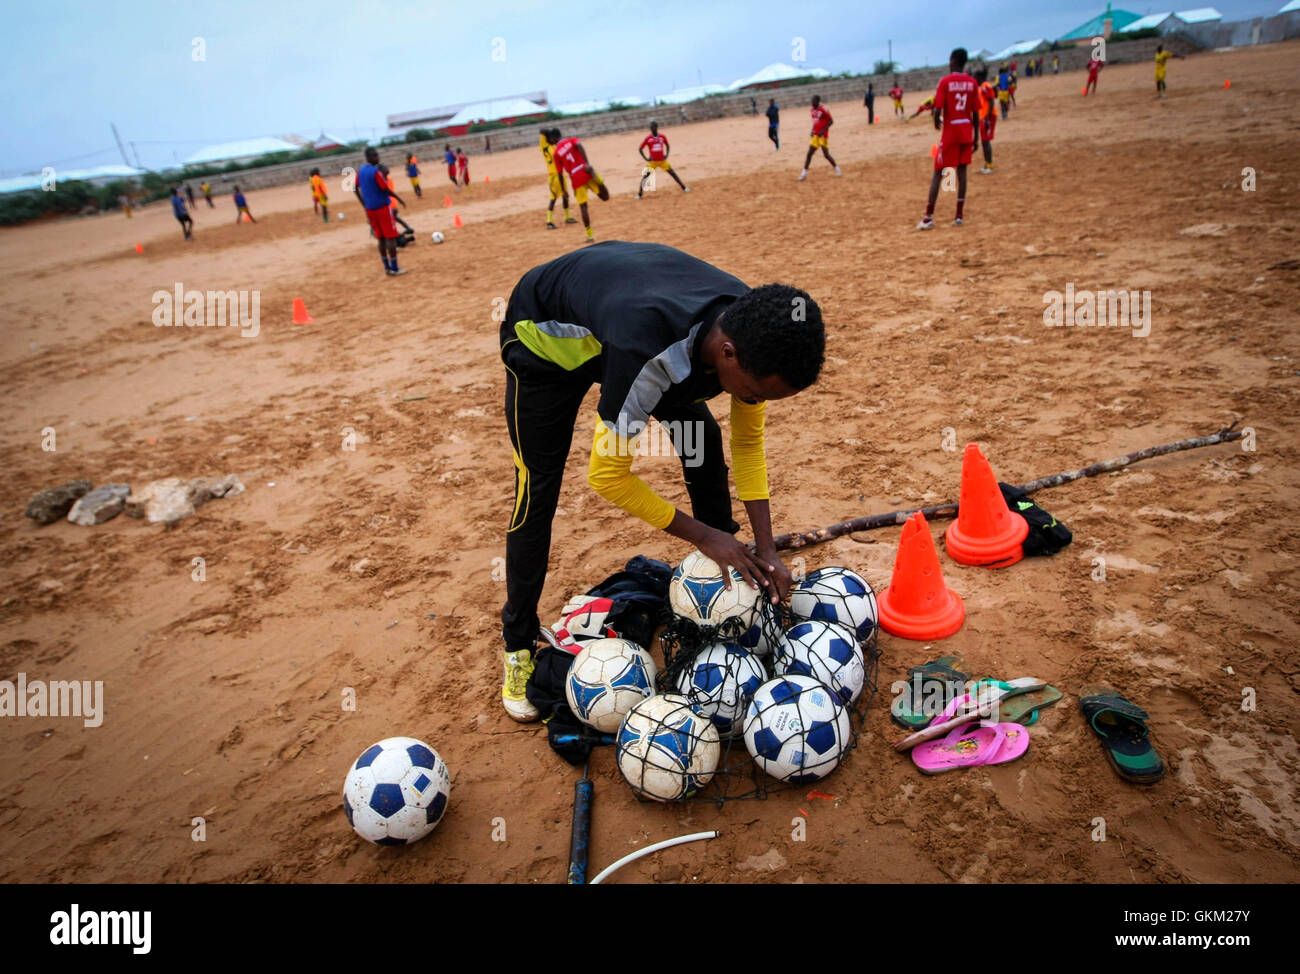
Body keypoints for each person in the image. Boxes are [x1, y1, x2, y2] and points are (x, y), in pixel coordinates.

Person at [496, 241, 826, 720]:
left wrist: (766, 547)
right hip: (544, 343)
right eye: (756, 393)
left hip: (624, 326)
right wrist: (703, 534)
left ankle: (727, 587)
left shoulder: (748, 327)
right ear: (728, 354)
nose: (757, 402)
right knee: (537, 490)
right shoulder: (649, 355)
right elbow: (608, 477)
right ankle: (518, 644)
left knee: (702, 441)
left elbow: (748, 446)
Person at [916, 47, 979, 230]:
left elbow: (937, 109)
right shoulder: (972, 83)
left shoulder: (945, 82)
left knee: (939, 172)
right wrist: (976, 138)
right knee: (962, 172)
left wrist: (936, 122)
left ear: (952, 60)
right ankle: (959, 215)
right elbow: (976, 113)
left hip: (951, 132)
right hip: (966, 131)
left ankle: (929, 217)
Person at [354, 146, 408, 276]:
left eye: (377, 155)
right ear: (368, 157)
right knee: (390, 238)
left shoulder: (360, 171)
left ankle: (387, 267)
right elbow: (385, 189)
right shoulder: (375, 171)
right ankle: (394, 268)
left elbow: (355, 188)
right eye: (374, 156)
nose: (377, 158)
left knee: (381, 238)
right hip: (382, 208)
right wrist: (398, 198)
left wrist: (364, 203)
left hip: (370, 209)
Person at [548, 129, 609, 243]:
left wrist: (563, 190)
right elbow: (580, 146)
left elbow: (560, 174)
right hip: (585, 170)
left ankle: (590, 236)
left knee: (583, 207)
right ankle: (598, 180)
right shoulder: (571, 140)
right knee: (605, 197)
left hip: (576, 178)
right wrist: (586, 163)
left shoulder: (556, 154)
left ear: (553, 138)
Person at [637, 120, 689, 198]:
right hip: (652, 162)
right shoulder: (648, 138)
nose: (651, 129)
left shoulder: (662, 137)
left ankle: (684, 187)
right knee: (645, 177)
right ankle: (639, 194)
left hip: (662, 161)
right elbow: (640, 149)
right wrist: (646, 158)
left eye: (653, 127)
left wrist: (666, 155)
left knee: (673, 174)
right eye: (650, 128)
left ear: (656, 127)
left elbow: (667, 145)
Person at [798, 94, 841, 181]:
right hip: (816, 136)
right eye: (811, 101)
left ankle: (837, 169)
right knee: (809, 153)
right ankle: (804, 174)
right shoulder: (812, 110)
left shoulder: (823, 109)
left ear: (817, 101)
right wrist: (812, 130)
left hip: (823, 136)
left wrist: (823, 130)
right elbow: (815, 122)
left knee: (826, 154)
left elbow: (831, 121)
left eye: (813, 101)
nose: (812, 103)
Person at [540, 127, 575, 229]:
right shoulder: (545, 147)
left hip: (560, 174)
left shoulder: (554, 147)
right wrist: (547, 134)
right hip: (553, 176)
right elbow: (542, 131)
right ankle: (549, 221)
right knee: (553, 198)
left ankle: (568, 217)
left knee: (565, 196)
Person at [974, 66, 997, 174]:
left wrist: (987, 118)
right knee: (984, 142)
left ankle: (990, 165)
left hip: (988, 117)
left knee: (986, 142)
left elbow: (991, 101)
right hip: (983, 117)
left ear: (979, 77)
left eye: (975, 77)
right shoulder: (981, 87)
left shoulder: (985, 86)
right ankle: (987, 164)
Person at [380, 165, 415, 235]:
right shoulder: (388, 179)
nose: (387, 168)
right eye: (385, 168)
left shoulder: (384, 180)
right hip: (393, 202)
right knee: (396, 217)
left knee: (389, 221)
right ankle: (408, 228)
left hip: (389, 203)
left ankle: (398, 235)